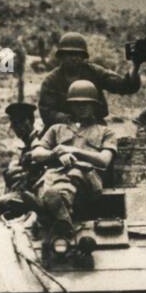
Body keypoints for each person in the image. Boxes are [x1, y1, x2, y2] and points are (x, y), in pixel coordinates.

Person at [29, 80, 118, 239]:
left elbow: (104, 160)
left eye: (86, 103)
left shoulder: (106, 132)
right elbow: (36, 153)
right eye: (76, 104)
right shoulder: (57, 129)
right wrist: (55, 153)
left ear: (94, 106)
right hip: (55, 175)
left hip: (87, 178)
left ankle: (59, 215)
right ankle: (55, 211)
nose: (81, 107)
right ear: (70, 106)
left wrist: (74, 151)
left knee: (74, 174)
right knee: (46, 181)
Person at [36, 32, 142, 127]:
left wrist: (135, 65)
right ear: (61, 56)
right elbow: (47, 111)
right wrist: (69, 121)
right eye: (70, 54)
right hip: (63, 127)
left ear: (83, 56)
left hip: (94, 124)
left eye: (78, 54)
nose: (74, 58)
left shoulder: (95, 72)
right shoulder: (51, 81)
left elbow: (124, 86)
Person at [0, 101, 42, 217]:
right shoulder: (22, 147)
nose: (18, 128)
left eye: (22, 122)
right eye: (15, 124)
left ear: (31, 121)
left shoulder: (40, 141)